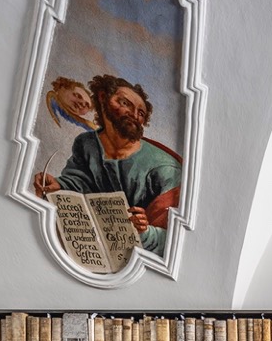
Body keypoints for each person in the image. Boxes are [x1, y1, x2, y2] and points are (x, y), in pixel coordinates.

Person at [32, 74, 181, 255]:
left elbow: (176, 239)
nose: (134, 115)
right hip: (90, 245)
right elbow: (80, 183)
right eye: (125, 103)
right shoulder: (87, 143)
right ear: (103, 97)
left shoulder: (164, 169)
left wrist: (145, 231)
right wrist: (59, 185)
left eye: (141, 113)